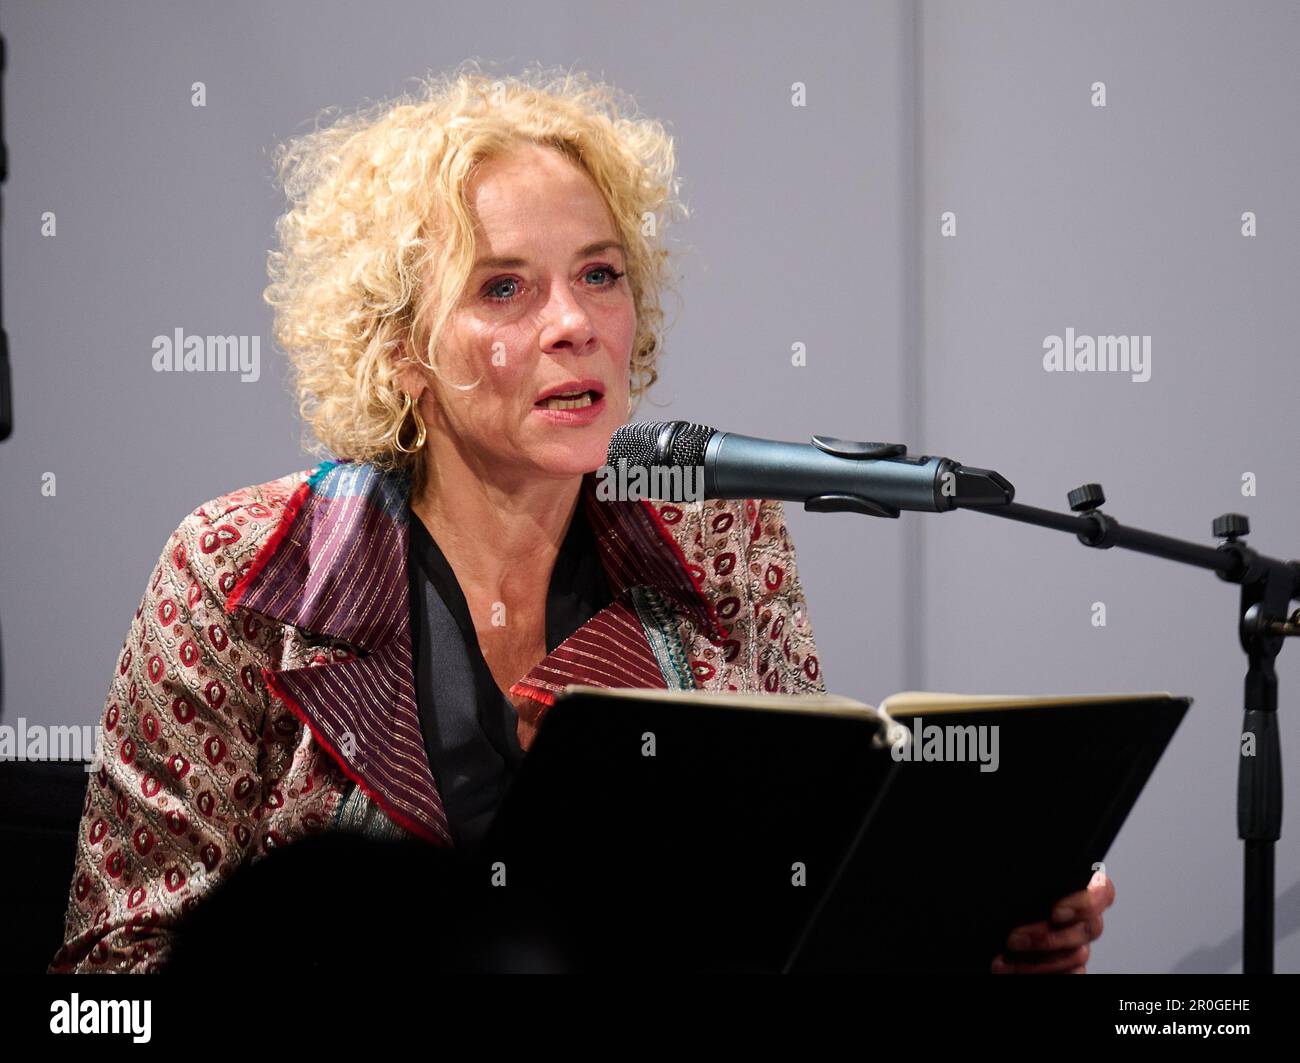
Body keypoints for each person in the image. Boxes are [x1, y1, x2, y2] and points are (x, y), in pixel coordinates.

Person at [48, 64, 1111, 974]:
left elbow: (796, 906)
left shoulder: (721, 539)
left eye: (599, 276)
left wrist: (977, 933)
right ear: (400, 347)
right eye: (504, 288)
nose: (573, 325)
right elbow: (114, 976)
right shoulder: (243, 569)